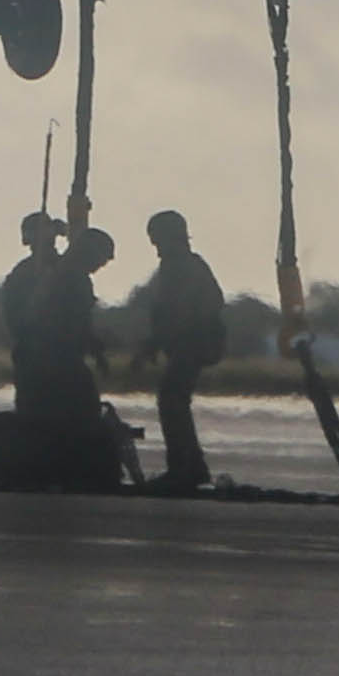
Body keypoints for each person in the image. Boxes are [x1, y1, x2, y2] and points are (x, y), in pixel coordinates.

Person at [3, 211, 114, 486]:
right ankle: (42, 472)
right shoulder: (31, 274)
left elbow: (80, 320)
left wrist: (94, 349)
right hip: (40, 358)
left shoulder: (68, 273)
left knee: (75, 411)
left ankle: (66, 471)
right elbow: (21, 320)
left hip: (60, 358)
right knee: (40, 417)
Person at [130, 209, 227, 494]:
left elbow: (187, 310)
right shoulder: (179, 266)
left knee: (172, 400)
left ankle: (183, 469)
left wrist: (158, 341)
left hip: (192, 343)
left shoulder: (184, 267)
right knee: (174, 400)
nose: (157, 248)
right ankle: (191, 467)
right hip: (186, 343)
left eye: (158, 240)